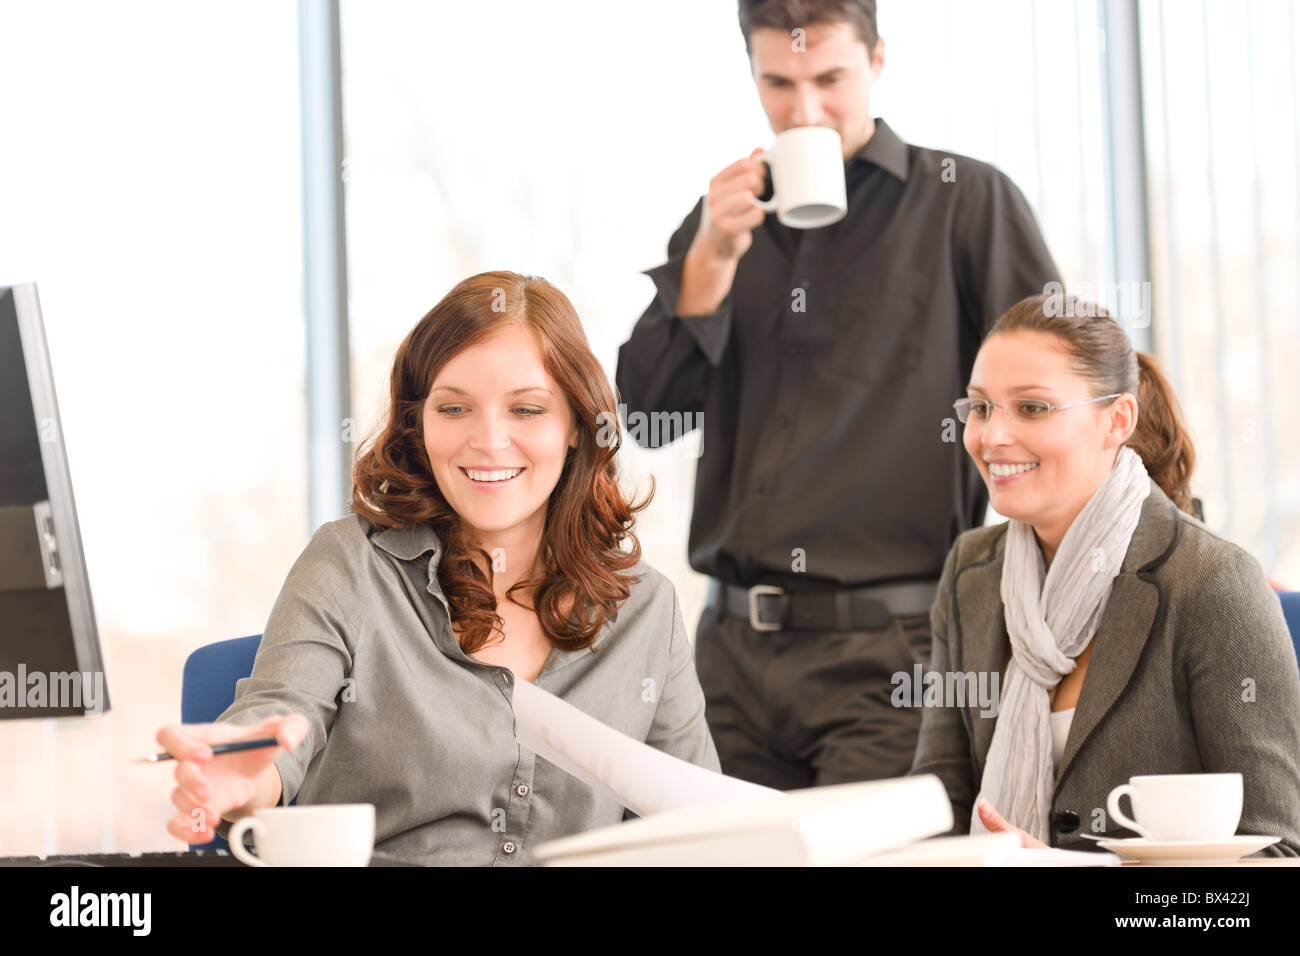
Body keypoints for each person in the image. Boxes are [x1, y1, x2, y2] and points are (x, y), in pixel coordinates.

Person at [615, 0, 1060, 788]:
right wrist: (710, 262)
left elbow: (1067, 395)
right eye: (778, 83)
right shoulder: (723, 222)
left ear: (878, 60)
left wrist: (1167, 556)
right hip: (726, 657)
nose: (805, 109)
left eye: (830, 78)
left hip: (893, 652)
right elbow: (645, 417)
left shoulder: (966, 202)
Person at [156, 271, 721, 866]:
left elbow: (705, 829)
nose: (489, 440)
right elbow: (280, 716)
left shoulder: (646, 611)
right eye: (454, 408)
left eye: (526, 410)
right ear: (418, 423)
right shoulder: (350, 565)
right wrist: (245, 777)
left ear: (577, 426)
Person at [909, 292, 1300, 855]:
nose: (992, 437)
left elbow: (1278, 853)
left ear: (1116, 420)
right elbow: (941, 806)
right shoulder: (972, 570)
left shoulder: (1212, 582)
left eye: (1032, 408)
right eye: (980, 407)